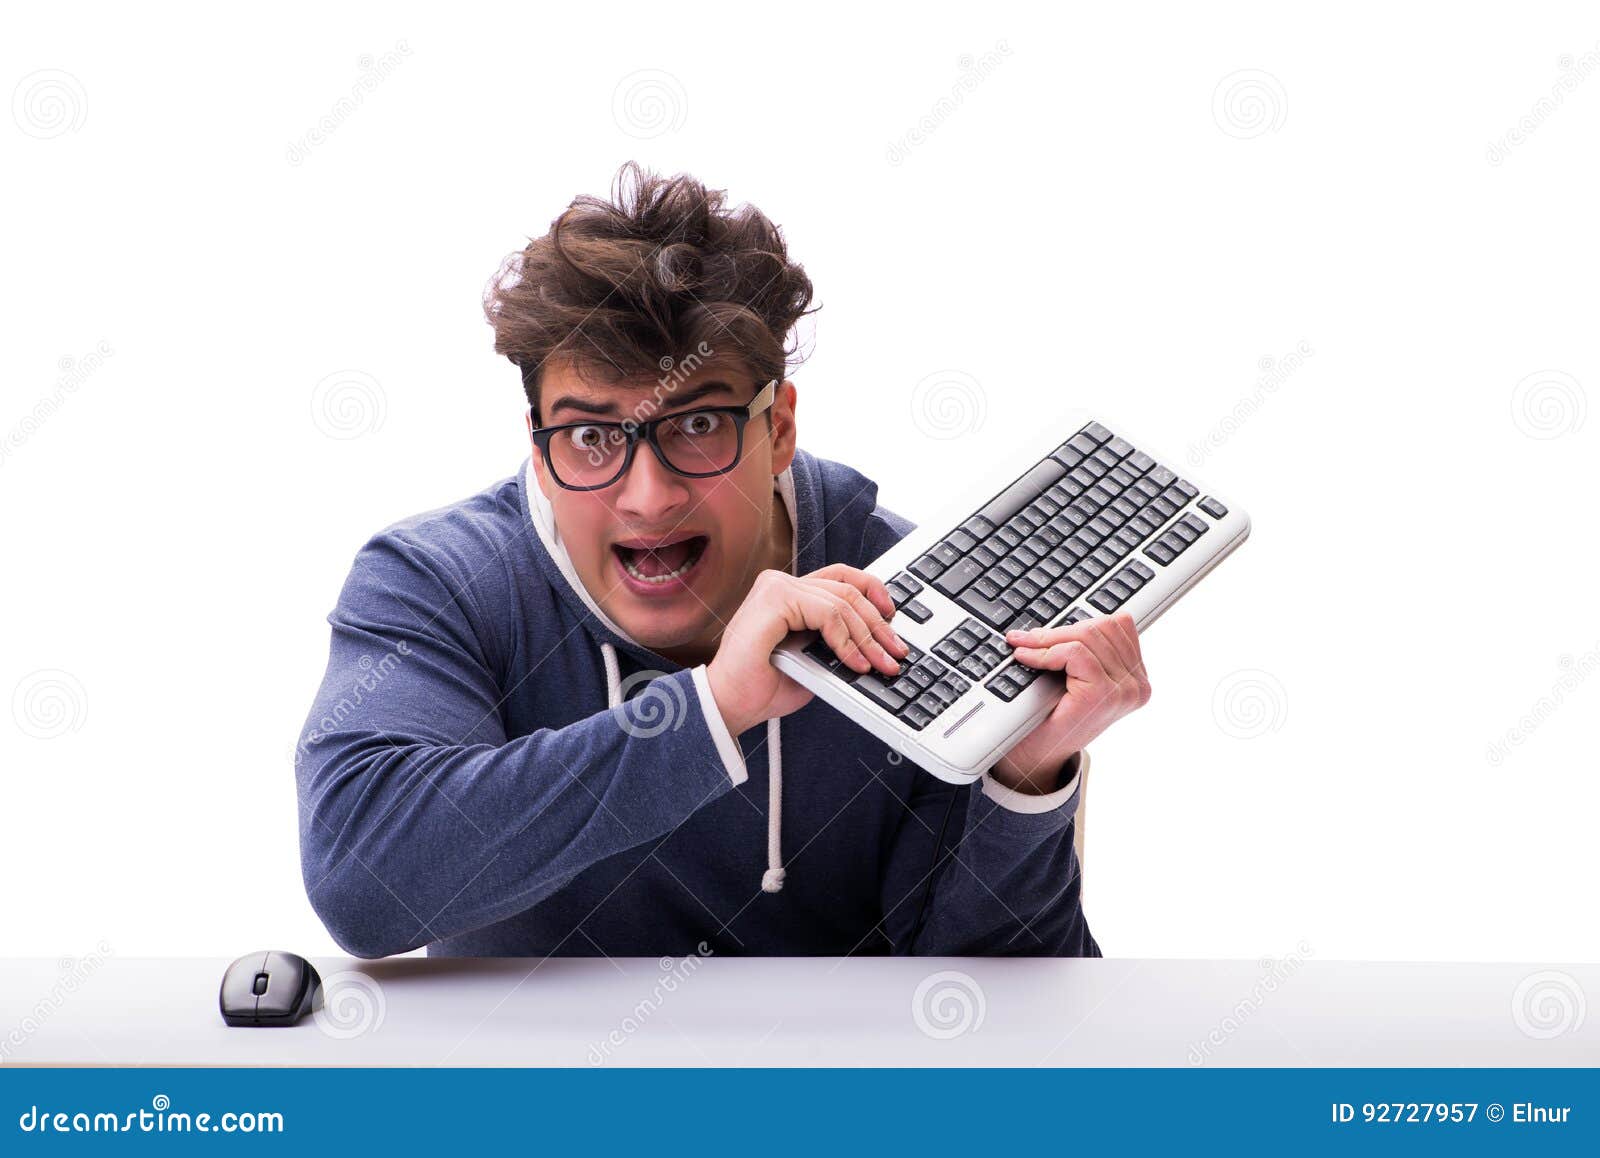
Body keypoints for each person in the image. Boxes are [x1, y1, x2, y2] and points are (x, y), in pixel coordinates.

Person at [294, 162, 1152, 959]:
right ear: (536, 445)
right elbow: (361, 884)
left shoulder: (906, 595)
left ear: (776, 426)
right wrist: (715, 707)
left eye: (696, 425)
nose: (648, 497)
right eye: (590, 437)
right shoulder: (438, 582)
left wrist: (1023, 777)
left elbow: (998, 1018)